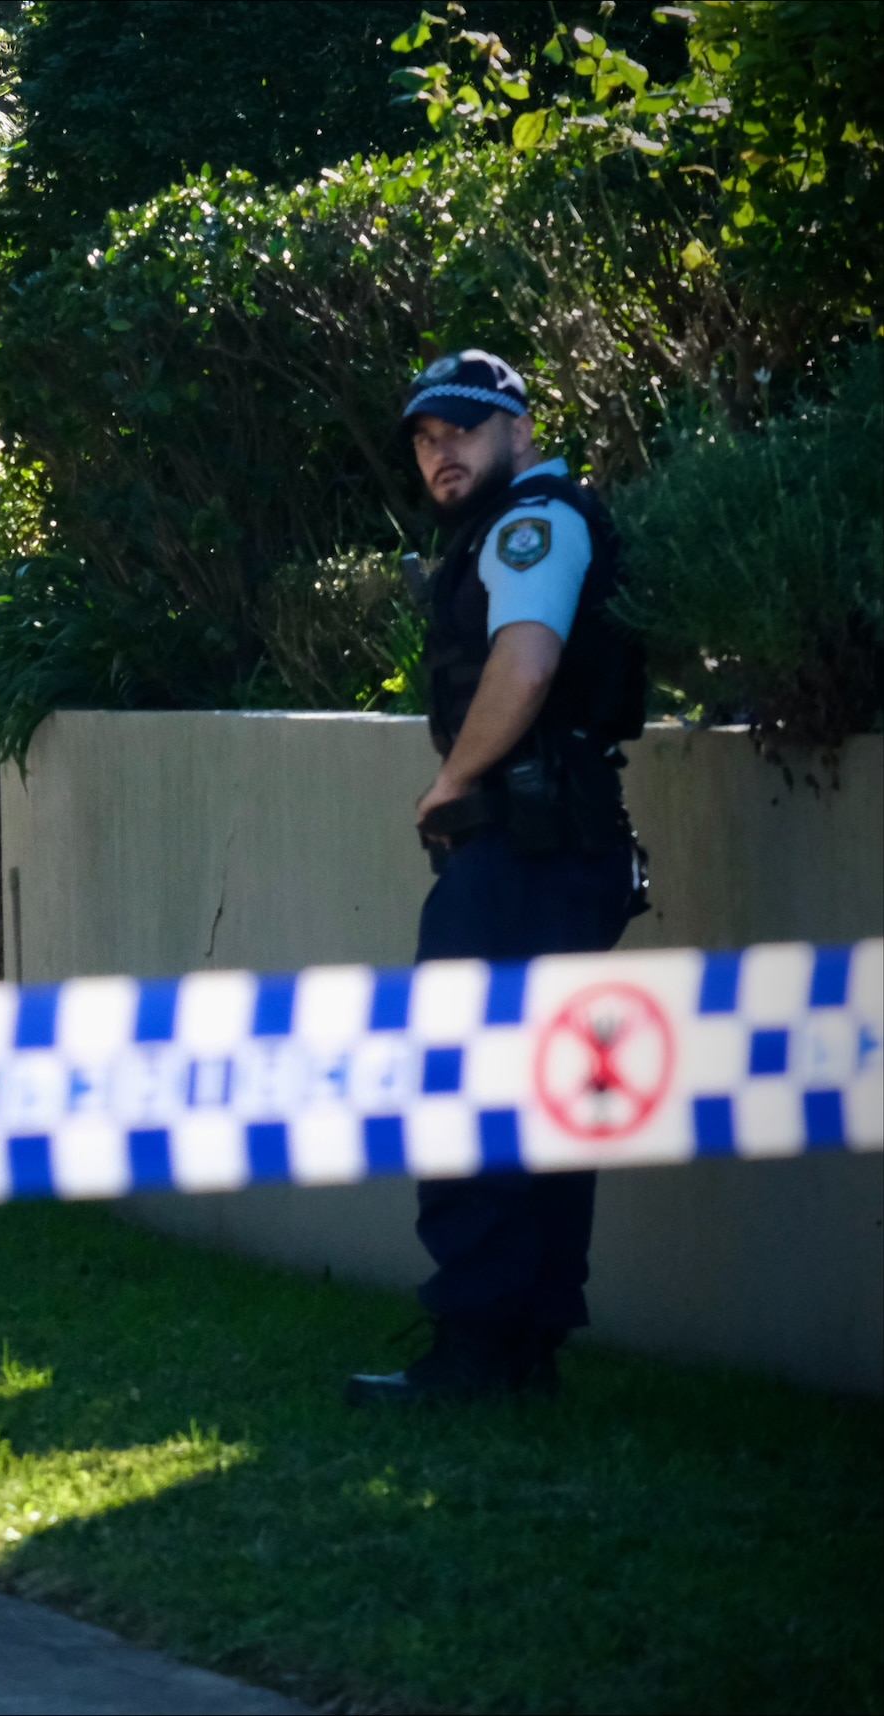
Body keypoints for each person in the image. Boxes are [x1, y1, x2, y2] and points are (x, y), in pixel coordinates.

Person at [346, 349, 649, 1406]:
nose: (441, 453)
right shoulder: (505, 528)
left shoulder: (530, 523)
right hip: (551, 849)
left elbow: (522, 664)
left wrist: (448, 783)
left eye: (462, 430)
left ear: (518, 427)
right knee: (543, 1100)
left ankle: (477, 1352)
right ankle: (520, 1350)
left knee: (465, 1086)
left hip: (523, 850)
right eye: (425, 439)